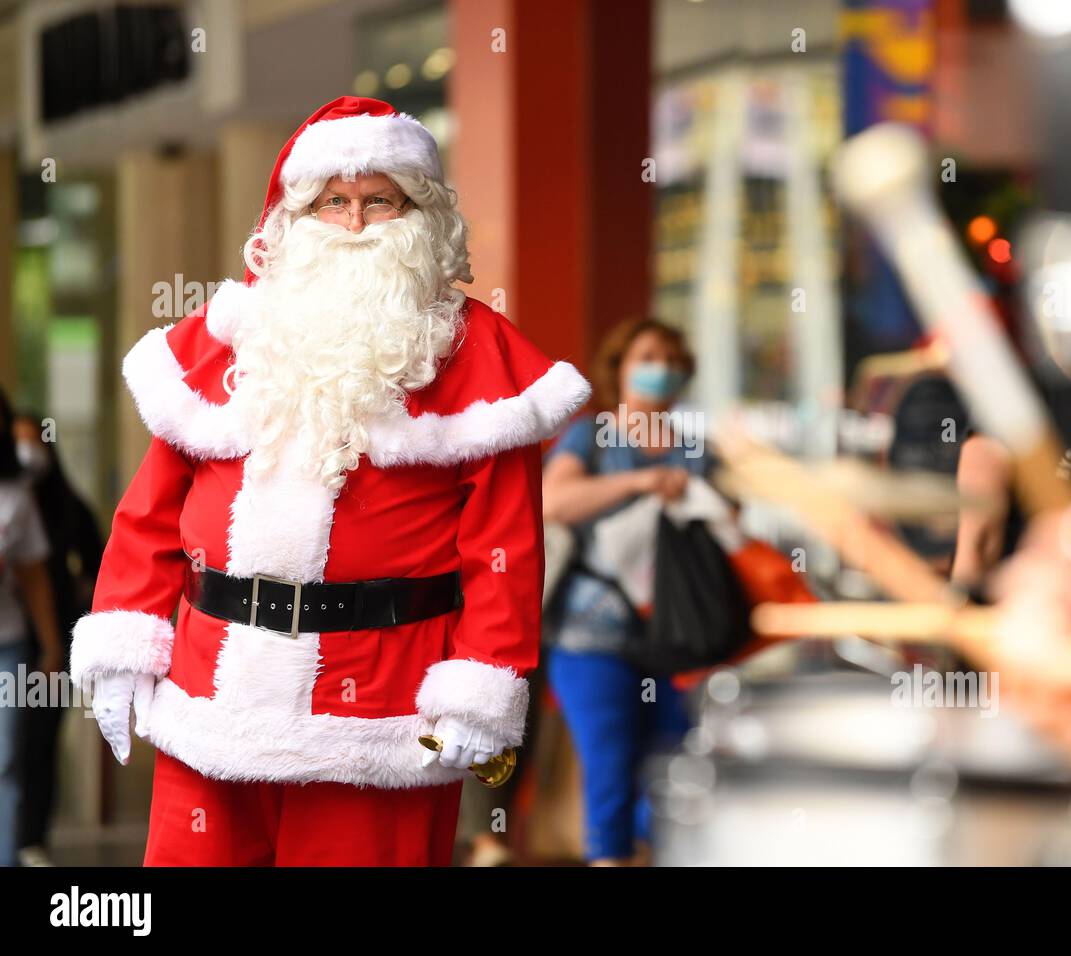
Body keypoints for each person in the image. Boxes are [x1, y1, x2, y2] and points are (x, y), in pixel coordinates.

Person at [67, 96, 591, 866]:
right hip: (215, 699)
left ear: (421, 216)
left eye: (380, 201)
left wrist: (484, 682)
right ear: (292, 218)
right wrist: (120, 645)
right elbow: (149, 514)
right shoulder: (226, 338)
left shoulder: (477, 353)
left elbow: (504, 545)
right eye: (332, 202)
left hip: (380, 715)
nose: (354, 225)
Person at [541, 317, 708, 865]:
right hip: (589, 638)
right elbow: (552, 502)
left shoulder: (697, 452)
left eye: (668, 359)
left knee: (673, 775)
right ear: (620, 368)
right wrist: (638, 483)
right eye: (646, 357)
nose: (658, 369)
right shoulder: (592, 436)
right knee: (608, 770)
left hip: (677, 638)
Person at [12, 412, 103, 866]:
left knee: (37, 744)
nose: (29, 453)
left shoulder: (68, 506)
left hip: (51, 649)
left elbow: (98, 564)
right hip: (12, 638)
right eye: (19, 443)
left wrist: (82, 597)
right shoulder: (10, 500)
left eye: (36, 442)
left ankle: (30, 838)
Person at [0, 388, 63, 867]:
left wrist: (49, 646)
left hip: (8, 645)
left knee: (6, 763)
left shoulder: (14, 497)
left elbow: (34, 577)